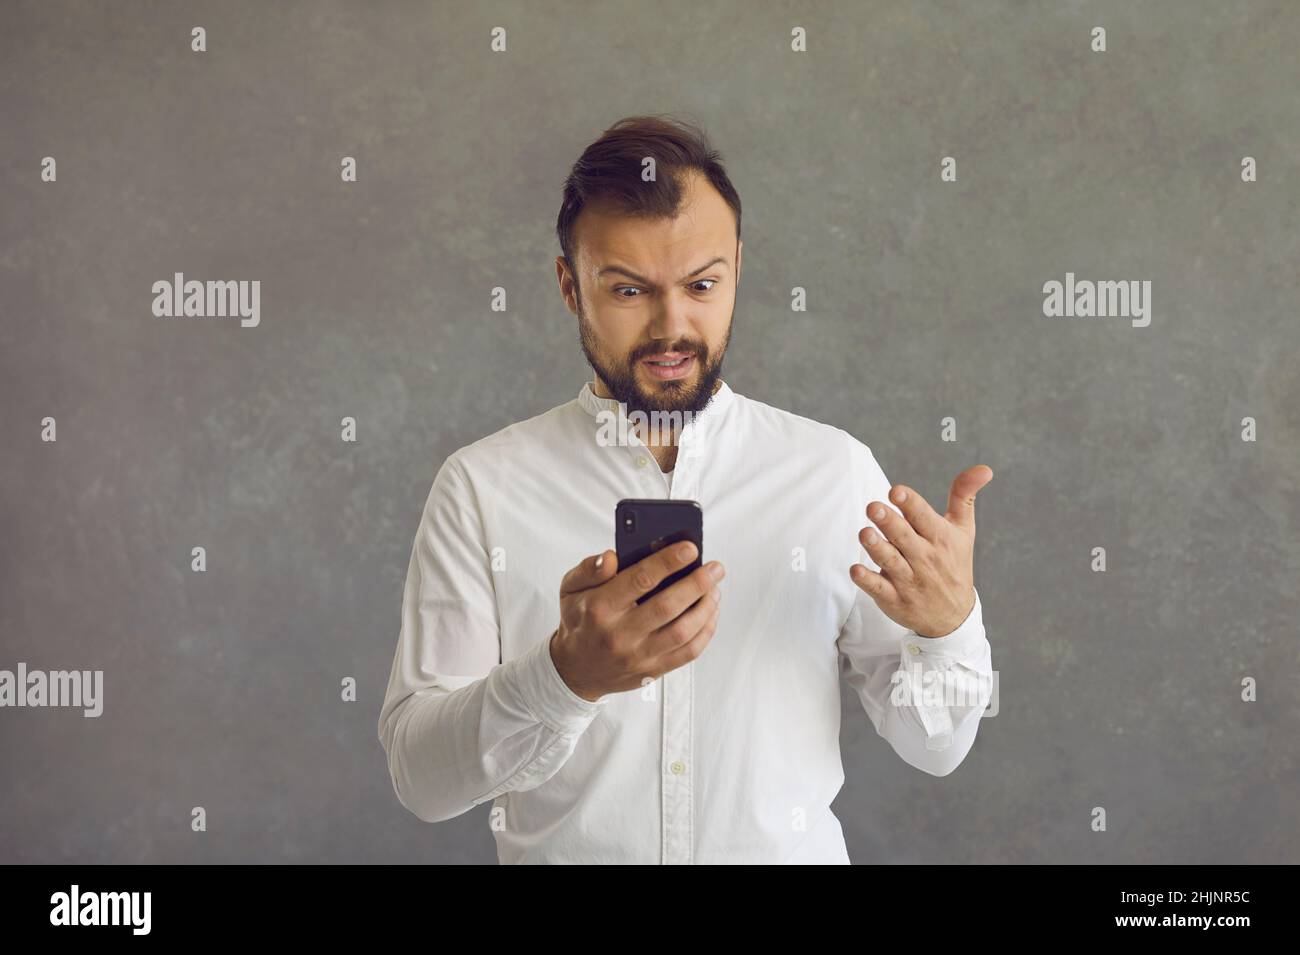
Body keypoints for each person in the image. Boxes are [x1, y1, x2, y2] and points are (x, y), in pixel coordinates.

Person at [378, 115, 995, 863]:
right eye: (630, 289)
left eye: (703, 284)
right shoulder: (482, 488)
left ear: (738, 266)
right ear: (570, 286)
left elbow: (938, 744)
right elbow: (420, 778)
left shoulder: (833, 475)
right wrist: (564, 677)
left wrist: (950, 627)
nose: (674, 327)